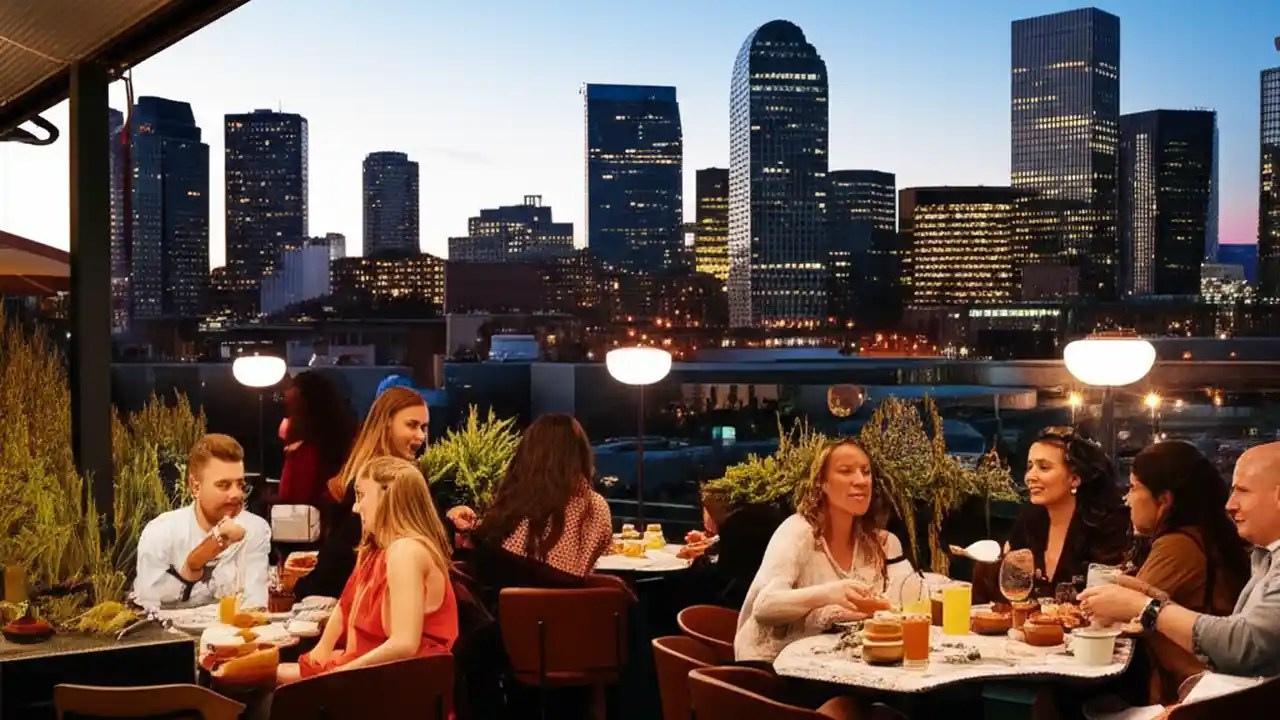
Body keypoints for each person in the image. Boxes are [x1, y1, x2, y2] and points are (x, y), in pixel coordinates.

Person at [1081, 441, 1280, 679]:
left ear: (1164, 499)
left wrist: (1147, 608)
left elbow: (1243, 645)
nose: (1230, 505)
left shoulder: (1179, 543)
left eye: (1243, 491)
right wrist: (1150, 598)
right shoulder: (1263, 555)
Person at [278, 456, 458, 682]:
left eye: (361, 495)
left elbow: (404, 644)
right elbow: (344, 607)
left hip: (401, 688)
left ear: (387, 497)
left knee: (266, 684)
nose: (355, 507)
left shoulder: (406, 551)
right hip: (371, 677)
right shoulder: (375, 551)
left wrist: (336, 676)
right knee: (263, 677)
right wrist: (320, 653)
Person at [734, 437, 914, 663]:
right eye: (846, 471)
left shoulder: (883, 543)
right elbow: (765, 607)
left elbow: (906, 599)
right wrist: (831, 593)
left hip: (844, 663)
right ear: (822, 483)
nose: (861, 480)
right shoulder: (797, 533)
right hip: (772, 667)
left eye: (866, 472)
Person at [1121, 441, 1250, 703]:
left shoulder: (1179, 545)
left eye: (1133, 488)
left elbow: (1125, 611)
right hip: (1224, 689)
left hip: (1197, 696)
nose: (1126, 499)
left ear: (1164, 499)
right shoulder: (1206, 533)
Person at [292, 386, 429, 600]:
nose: (421, 435)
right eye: (412, 425)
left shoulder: (398, 478)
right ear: (386, 424)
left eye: (424, 427)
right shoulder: (377, 483)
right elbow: (345, 554)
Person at [977, 426, 1129, 602]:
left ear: (1075, 478)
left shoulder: (1105, 525)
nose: (1030, 477)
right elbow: (1010, 593)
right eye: (1029, 466)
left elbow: (1103, 600)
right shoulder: (1031, 518)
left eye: (1044, 467)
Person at [471, 414, 613, 601]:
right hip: (572, 621)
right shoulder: (594, 507)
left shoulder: (510, 507)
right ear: (579, 454)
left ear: (527, 455)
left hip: (506, 624)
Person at [134, 434, 272, 609]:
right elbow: (148, 608)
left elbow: (255, 603)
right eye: (223, 485)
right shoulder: (161, 534)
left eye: (240, 485)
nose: (236, 494)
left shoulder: (255, 529)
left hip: (234, 634)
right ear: (195, 486)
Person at [676, 484, 786, 610]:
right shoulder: (762, 518)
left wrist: (699, 560)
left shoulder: (738, 523)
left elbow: (724, 569)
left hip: (735, 605)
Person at [277, 371, 357, 508]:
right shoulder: (341, 444)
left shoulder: (305, 454)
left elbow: (294, 501)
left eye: (291, 411)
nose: (286, 419)